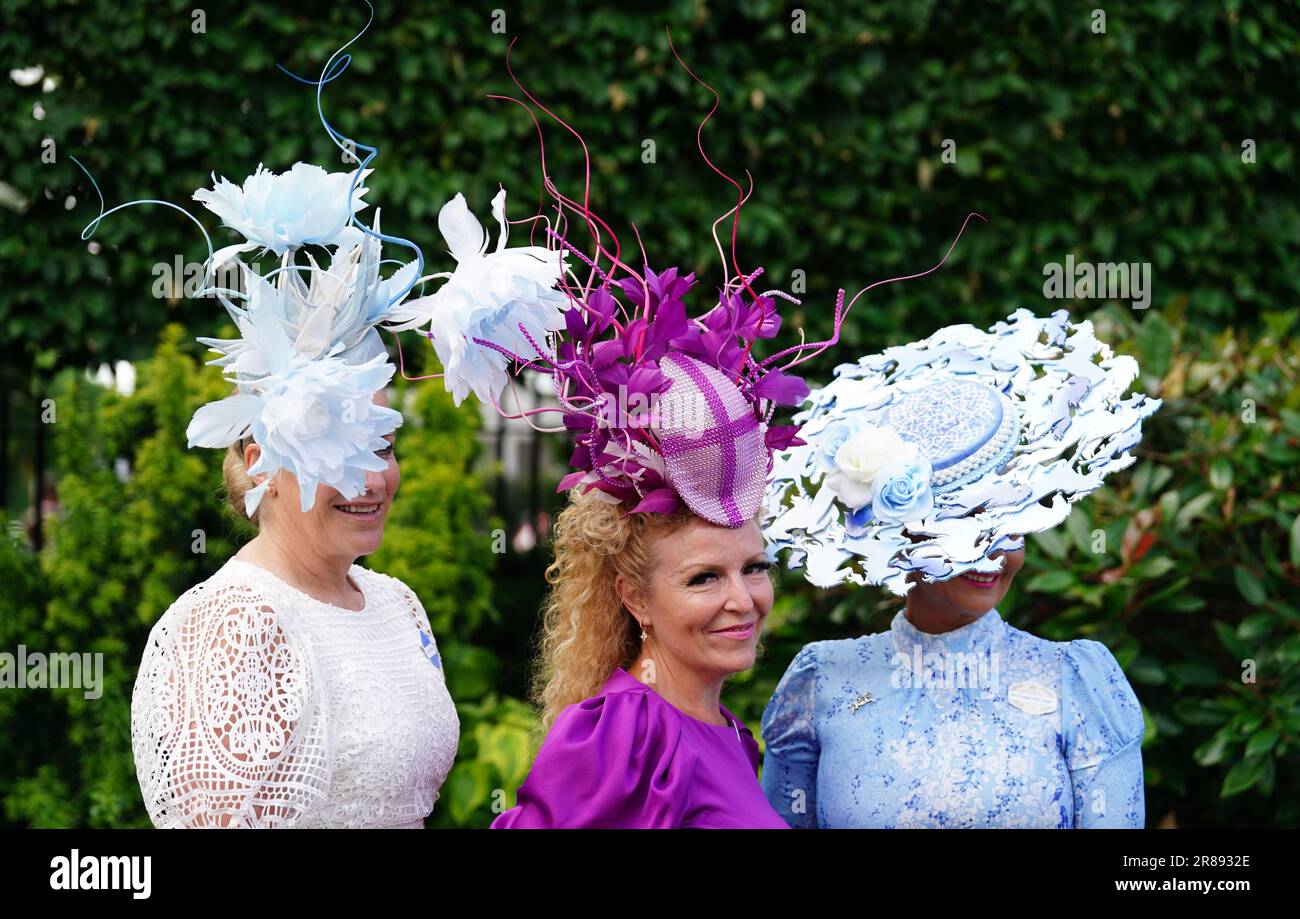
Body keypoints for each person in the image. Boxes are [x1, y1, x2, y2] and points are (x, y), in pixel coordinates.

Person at [125, 150, 462, 828]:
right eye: (337, 447)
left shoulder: (396, 603)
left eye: (384, 443)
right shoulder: (232, 623)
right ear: (260, 465)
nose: (373, 476)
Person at [761, 309, 1160, 828]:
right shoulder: (822, 681)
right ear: (903, 535)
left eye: (1008, 521)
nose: (994, 551)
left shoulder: (1076, 681)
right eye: (967, 527)